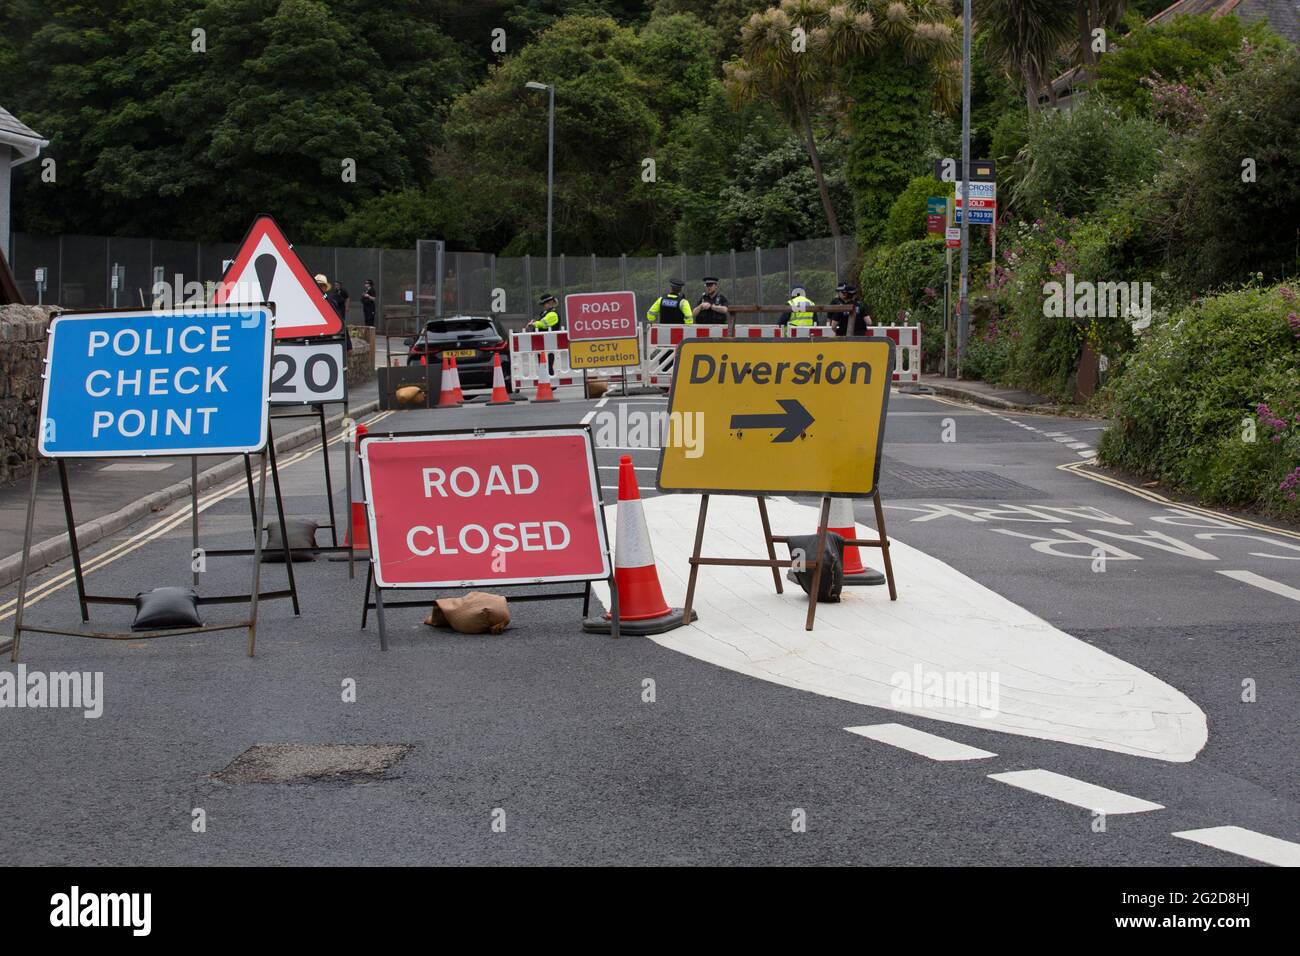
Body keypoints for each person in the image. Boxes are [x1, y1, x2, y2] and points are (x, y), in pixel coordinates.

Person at [315, 273, 352, 350]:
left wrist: (348, 345)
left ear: (325, 288)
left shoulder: (330, 301)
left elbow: (340, 322)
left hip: (327, 341)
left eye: (320, 285)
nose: (317, 288)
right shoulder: (308, 302)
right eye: (315, 285)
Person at [530, 293, 562, 375]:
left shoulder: (553, 313)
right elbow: (541, 321)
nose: (543, 306)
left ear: (550, 302)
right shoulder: (545, 312)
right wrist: (535, 322)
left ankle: (550, 382)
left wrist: (534, 324)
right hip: (543, 343)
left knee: (547, 364)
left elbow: (544, 324)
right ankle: (545, 381)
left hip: (549, 343)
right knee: (543, 363)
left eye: (544, 304)